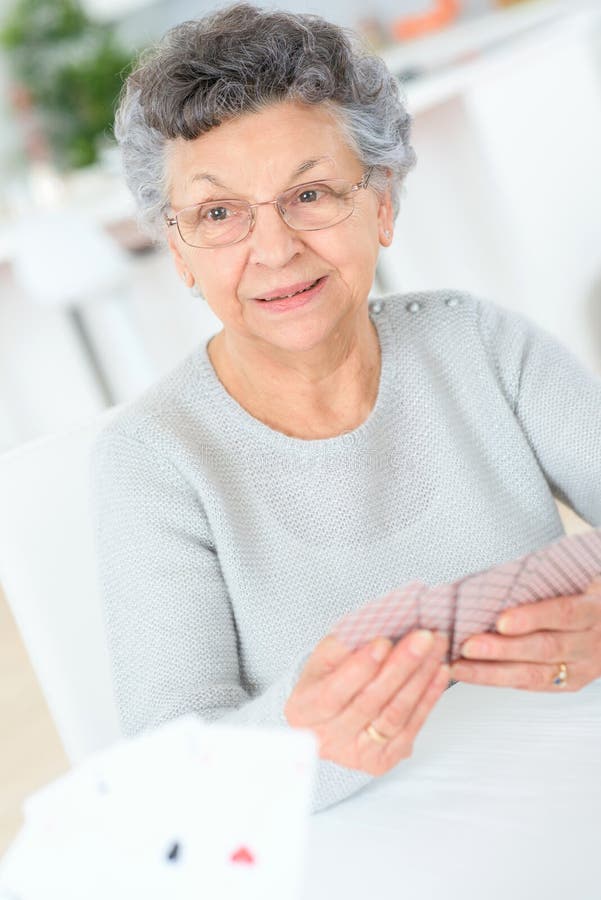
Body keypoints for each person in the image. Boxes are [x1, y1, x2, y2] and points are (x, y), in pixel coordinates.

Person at [90, 2, 601, 814]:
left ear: (382, 202)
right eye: (218, 214)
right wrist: (302, 747)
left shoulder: (481, 345)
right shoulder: (152, 461)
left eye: (311, 193)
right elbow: (171, 764)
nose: (274, 248)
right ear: (179, 249)